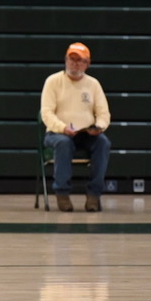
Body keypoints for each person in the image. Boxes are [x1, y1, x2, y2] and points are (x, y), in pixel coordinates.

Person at [40, 41, 113, 212]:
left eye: (79, 60)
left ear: (87, 64)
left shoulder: (93, 84)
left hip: (86, 134)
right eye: (71, 59)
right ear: (65, 60)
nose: (75, 64)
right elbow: (47, 113)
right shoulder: (53, 81)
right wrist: (62, 127)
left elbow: (103, 113)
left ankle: (94, 194)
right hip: (57, 133)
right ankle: (62, 193)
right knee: (63, 143)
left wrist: (98, 127)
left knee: (103, 143)